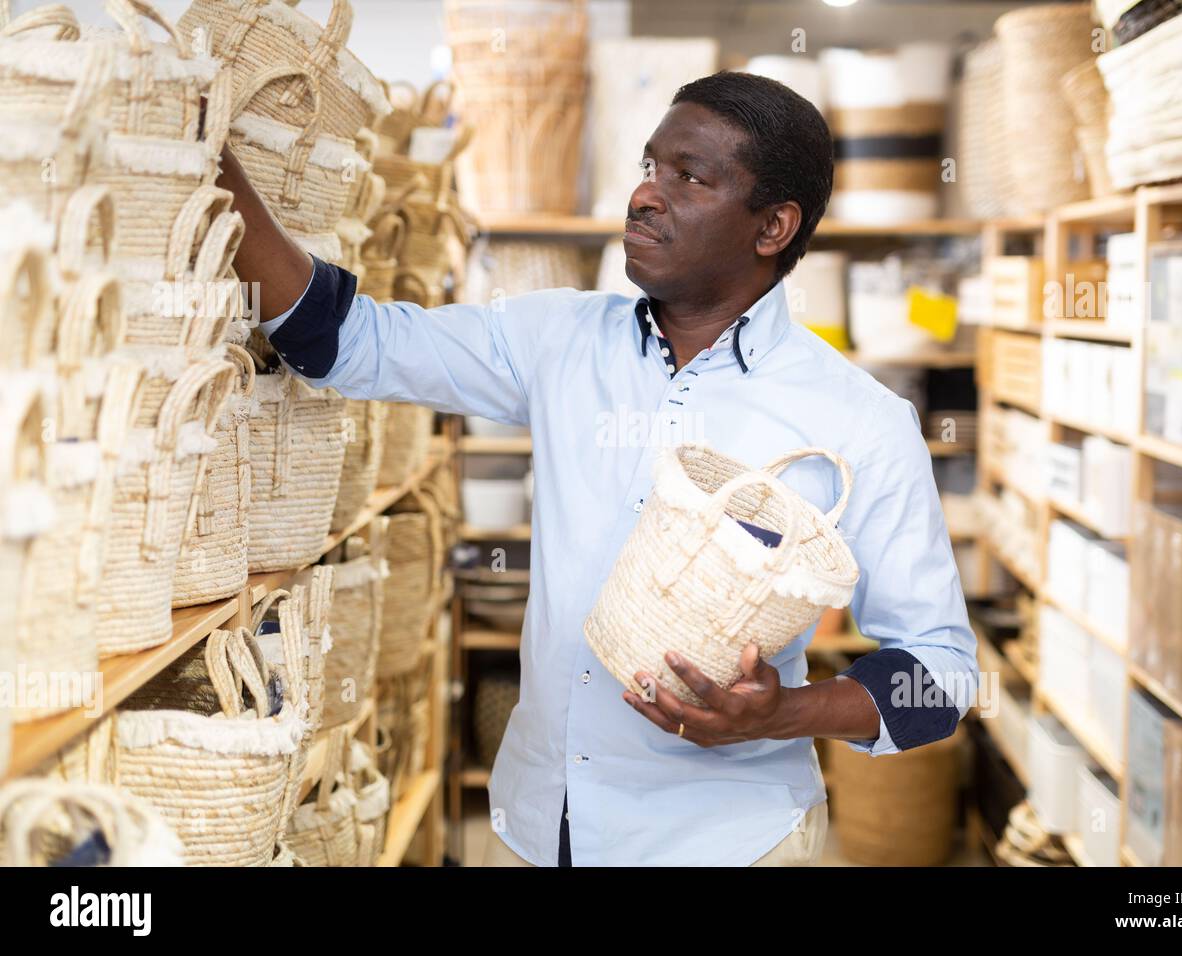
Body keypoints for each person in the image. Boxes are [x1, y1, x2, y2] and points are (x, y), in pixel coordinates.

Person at [219, 70, 978, 867]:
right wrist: (215, 166)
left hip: (727, 843)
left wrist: (781, 712)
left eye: (690, 177)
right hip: (537, 825)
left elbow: (942, 675)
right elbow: (343, 340)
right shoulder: (557, 340)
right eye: (650, 167)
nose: (647, 195)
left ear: (773, 227)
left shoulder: (858, 419)